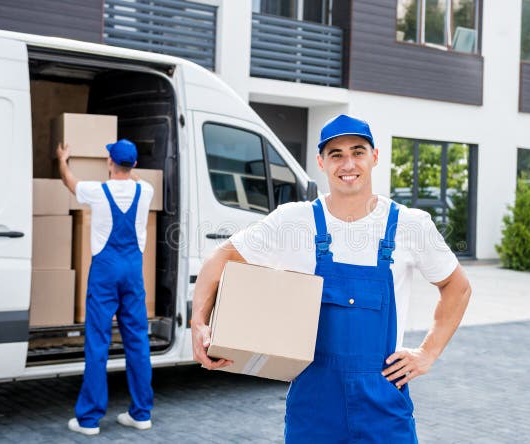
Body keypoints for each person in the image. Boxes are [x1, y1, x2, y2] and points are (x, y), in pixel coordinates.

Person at [191, 115, 472, 442]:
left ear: (375, 157)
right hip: (314, 404)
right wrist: (199, 322)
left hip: (383, 402)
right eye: (336, 154)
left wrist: (428, 352)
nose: (348, 163)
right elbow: (219, 259)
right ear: (321, 162)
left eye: (358, 151)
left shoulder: (410, 224)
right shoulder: (294, 221)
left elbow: (458, 287)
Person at [57, 139, 155, 436]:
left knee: (98, 342)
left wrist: (63, 159)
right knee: (137, 341)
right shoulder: (145, 190)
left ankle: (89, 420)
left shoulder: (97, 191)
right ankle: (141, 413)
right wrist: (128, 167)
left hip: (104, 273)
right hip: (132, 273)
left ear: (109, 163)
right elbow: (133, 176)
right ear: (135, 165)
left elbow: (70, 182)